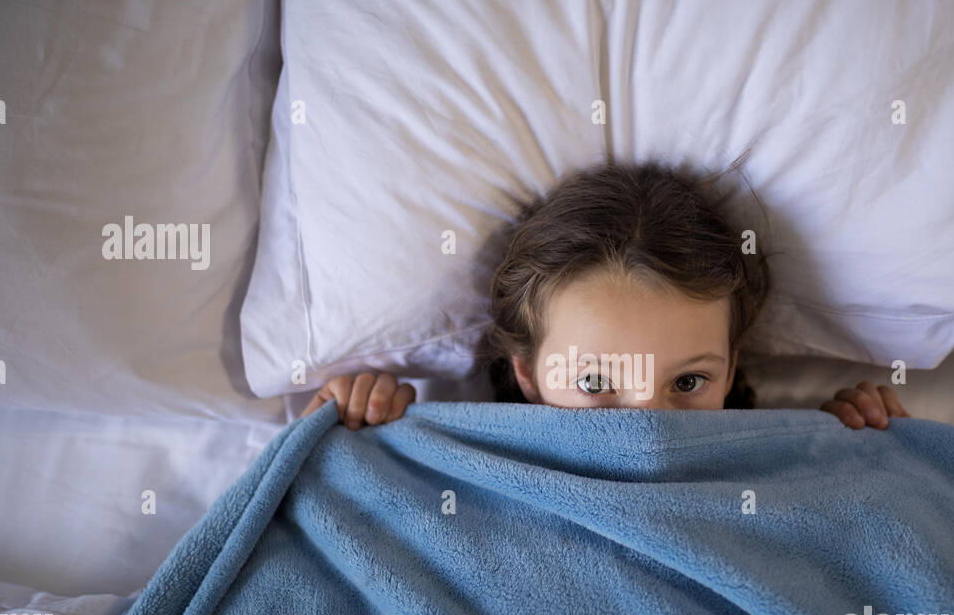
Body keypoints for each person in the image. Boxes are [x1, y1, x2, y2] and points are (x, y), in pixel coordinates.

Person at [301, 160, 910, 429]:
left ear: (730, 372)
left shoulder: (783, 479)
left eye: (690, 382)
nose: (647, 429)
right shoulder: (453, 475)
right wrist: (337, 433)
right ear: (528, 374)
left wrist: (858, 463)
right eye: (595, 383)